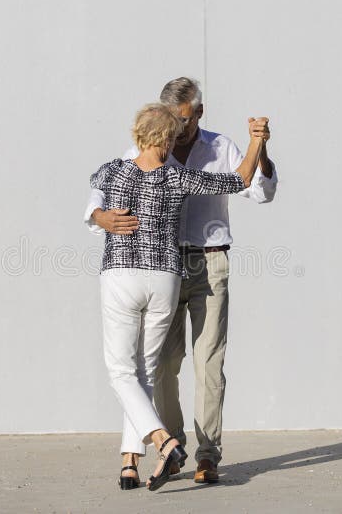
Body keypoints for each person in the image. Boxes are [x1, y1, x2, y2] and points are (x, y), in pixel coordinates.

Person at [85, 77, 277, 484]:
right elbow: (98, 200)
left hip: (203, 264)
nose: (177, 128)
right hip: (167, 272)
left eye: (184, 119)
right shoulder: (167, 170)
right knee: (157, 367)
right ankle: (157, 449)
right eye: (171, 121)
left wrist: (259, 145)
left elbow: (255, 189)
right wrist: (100, 218)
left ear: (199, 113)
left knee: (193, 366)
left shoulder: (217, 148)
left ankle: (197, 453)